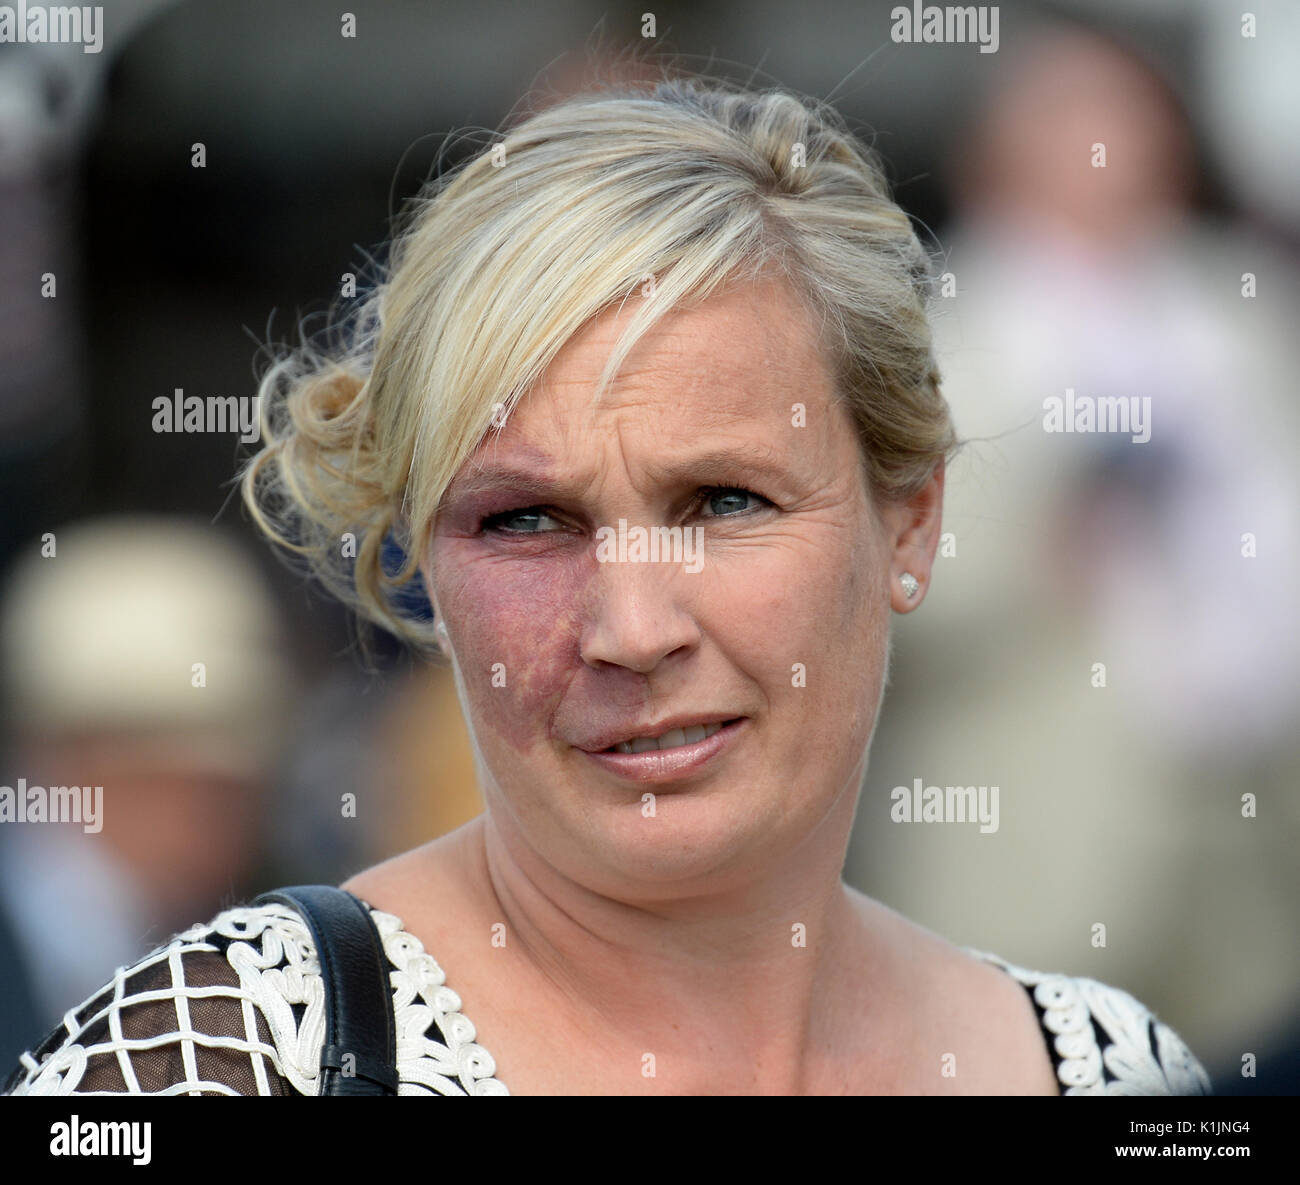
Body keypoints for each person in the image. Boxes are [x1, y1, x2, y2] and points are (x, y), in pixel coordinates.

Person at [3, 76, 1211, 1097]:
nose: (631, 629)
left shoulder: (1113, 1071)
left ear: (911, 522)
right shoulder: (214, 1065)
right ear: (423, 565)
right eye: (525, 521)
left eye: (724, 502)